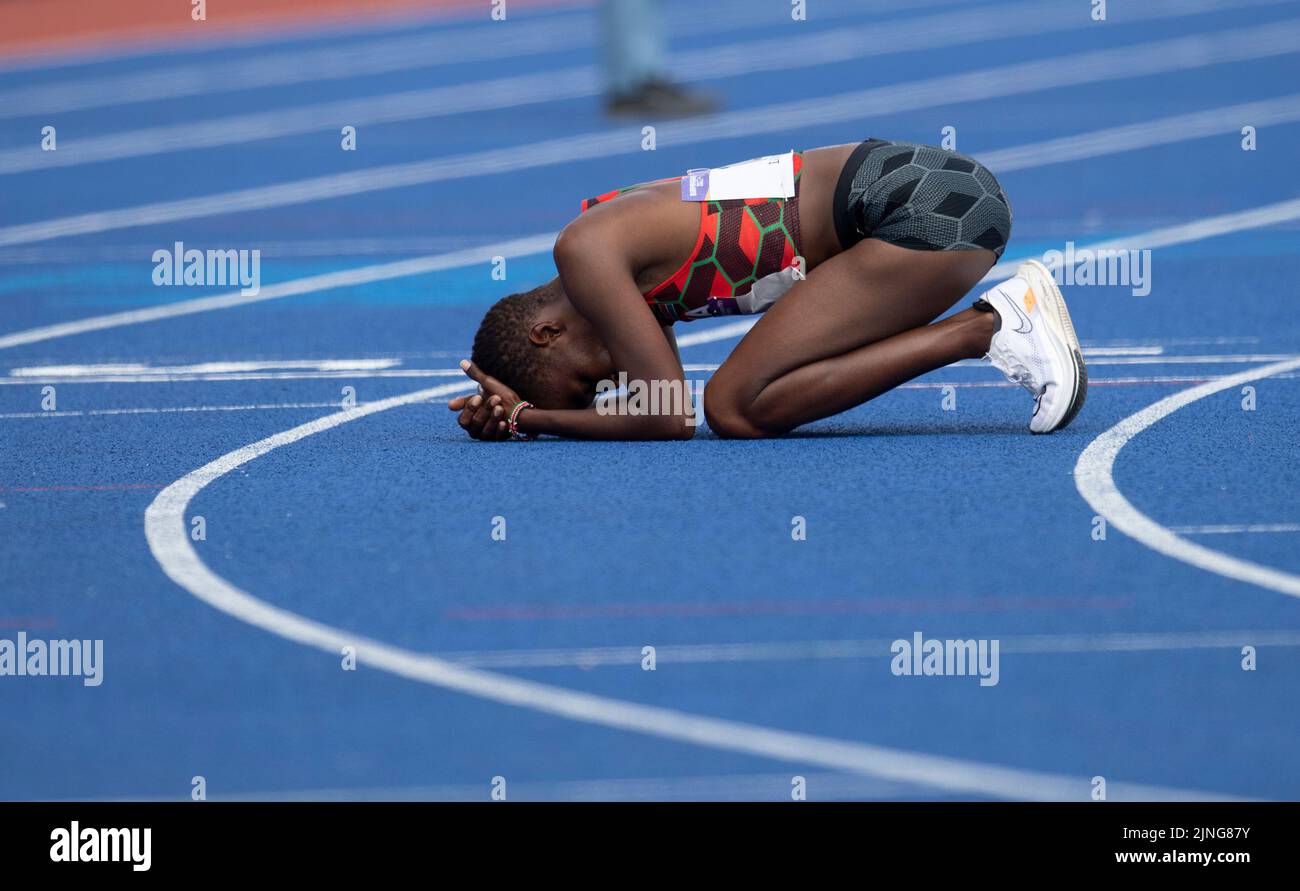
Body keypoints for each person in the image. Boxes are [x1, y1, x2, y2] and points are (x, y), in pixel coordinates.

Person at [451, 138, 1086, 441]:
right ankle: (987, 326)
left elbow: (669, 414)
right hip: (928, 201)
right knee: (748, 398)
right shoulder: (618, 275)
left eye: (584, 384)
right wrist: (524, 416)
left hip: (918, 206)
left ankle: (988, 328)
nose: (607, 388)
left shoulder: (584, 250)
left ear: (546, 332)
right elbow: (658, 400)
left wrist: (530, 418)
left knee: (735, 406)